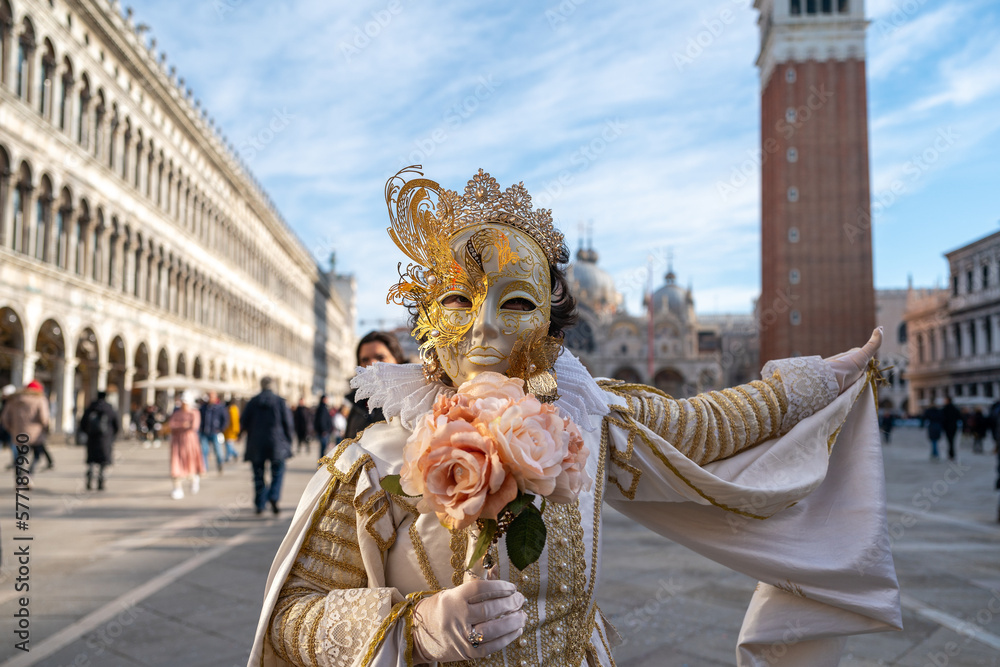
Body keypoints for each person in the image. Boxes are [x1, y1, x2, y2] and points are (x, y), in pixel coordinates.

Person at [249, 167, 900, 666]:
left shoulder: (589, 422)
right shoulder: (371, 466)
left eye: (516, 300)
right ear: (423, 315)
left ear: (552, 325)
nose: (482, 326)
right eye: (457, 297)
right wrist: (415, 624)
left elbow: (706, 426)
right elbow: (292, 615)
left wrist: (823, 377)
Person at [241, 377, 294, 515]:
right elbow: (287, 422)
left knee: (258, 473)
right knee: (278, 472)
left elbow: (244, 421)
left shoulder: (253, 402)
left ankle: (260, 503)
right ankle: (273, 496)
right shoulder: (279, 401)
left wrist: (242, 434)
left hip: (256, 443)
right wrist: (289, 440)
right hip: (277, 442)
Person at [344, 330, 408, 440]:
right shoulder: (357, 405)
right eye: (364, 359)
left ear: (397, 360)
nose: (372, 364)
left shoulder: (414, 400)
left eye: (380, 357)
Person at [0, 380, 53, 478]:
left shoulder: (14, 399)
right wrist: (46, 428)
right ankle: (29, 474)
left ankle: (19, 478)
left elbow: (4, 417)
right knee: (37, 454)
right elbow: (44, 418)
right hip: (35, 433)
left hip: (18, 433)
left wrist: (11, 429)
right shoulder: (40, 399)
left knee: (20, 456)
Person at [80, 390, 120, 491]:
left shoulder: (90, 408)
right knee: (103, 461)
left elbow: (83, 423)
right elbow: (116, 424)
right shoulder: (109, 408)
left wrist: (88, 432)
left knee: (92, 460)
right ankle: (101, 481)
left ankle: (90, 476)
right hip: (105, 439)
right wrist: (112, 435)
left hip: (92, 438)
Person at [169, 391, 204, 499]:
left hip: (190, 441)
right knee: (176, 463)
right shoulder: (177, 413)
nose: (184, 404)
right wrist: (182, 425)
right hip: (177, 442)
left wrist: (179, 426)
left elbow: (193, 426)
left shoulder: (194, 412)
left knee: (190, 462)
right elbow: (171, 425)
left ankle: (193, 479)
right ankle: (177, 488)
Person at [199, 391, 228, 473]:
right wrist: (201, 428)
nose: (210, 398)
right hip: (204, 432)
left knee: (218, 451)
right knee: (204, 450)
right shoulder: (203, 407)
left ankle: (220, 464)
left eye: (212, 396)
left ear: (215, 397)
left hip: (215, 432)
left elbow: (225, 419)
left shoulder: (220, 407)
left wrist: (221, 429)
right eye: (209, 396)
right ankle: (204, 468)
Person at [941, 397, 962, 461]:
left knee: (950, 441)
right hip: (954, 426)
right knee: (952, 440)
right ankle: (952, 453)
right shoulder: (955, 408)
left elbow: (942, 418)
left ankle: (951, 454)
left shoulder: (945, 409)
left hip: (947, 427)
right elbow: (960, 417)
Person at [223, 398, 241, 463]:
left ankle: (234, 454)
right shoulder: (235, 409)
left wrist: (235, 430)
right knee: (229, 444)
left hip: (230, 430)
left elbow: (233, 420)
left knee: (229, 444)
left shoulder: (231, 410)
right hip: (231, 430)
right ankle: (229, 456)